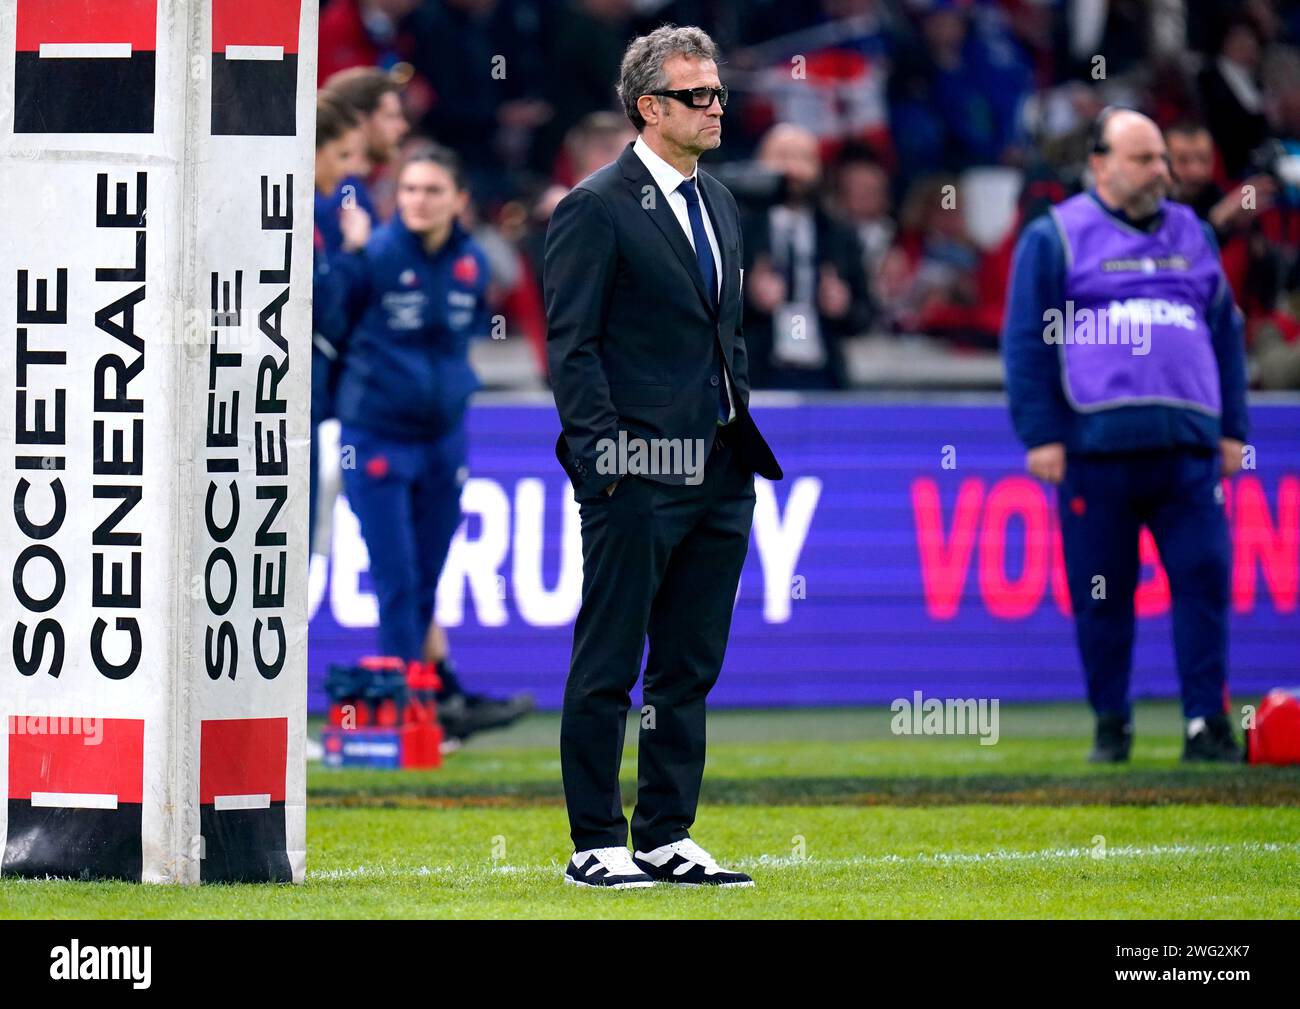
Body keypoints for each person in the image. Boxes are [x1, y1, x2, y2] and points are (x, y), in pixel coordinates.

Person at [544, 26, 781, 889]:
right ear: (649, 107)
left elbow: (729, 335)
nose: (717, 106)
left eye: (718, 92)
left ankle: (667, 832)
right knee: (609, 659)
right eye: (697, 95)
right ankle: (595, 840)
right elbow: (572, 350)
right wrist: (607, 464)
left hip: (719, 466)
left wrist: (736, 420)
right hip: (637, 473)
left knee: (687, 665)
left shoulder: (719, 200)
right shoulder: (594, 206)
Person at [1002, 108, 1250, 765]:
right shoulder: (1055, 235)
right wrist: (1041, 433)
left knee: (1204, 579)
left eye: (1164, 159)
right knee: (1101, 595)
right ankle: (1112, 723)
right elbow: (1026, 340)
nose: (1163, 172)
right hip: (1095, 450)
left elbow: (1225, 331)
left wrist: (1234, 429)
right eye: (1147, 159)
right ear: (1102, 162)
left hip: (1188, 450)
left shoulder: (1192, 232)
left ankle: (1206, 722)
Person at [329, 144, 535, 743]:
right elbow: (332, 328)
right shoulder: (372, 256)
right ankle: (403, 720)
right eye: (411, 190)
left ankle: (420, 709)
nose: (418, 201)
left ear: (460, 201)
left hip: (444, 441)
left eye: (432, 191)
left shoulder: (471, 263)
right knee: (396, 581)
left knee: (424, 582)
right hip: (377, 438)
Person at [740, 123, 873, 389]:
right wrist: (749, 299)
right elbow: (705, 312)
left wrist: (844, 306)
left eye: (803, 158)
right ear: (759, 164)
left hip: (823, 375)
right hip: (755, 375)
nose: (793, 169)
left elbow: (866, 314)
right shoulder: (734, 228)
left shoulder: (838, 233)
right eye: (782, 156)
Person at [312, 93, 370, 550]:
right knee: (300, 536)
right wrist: (353, 251)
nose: (349, 170)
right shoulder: (307, 214)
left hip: (311, 400)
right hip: (303, 399)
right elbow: (328, 313)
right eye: (341, 155)